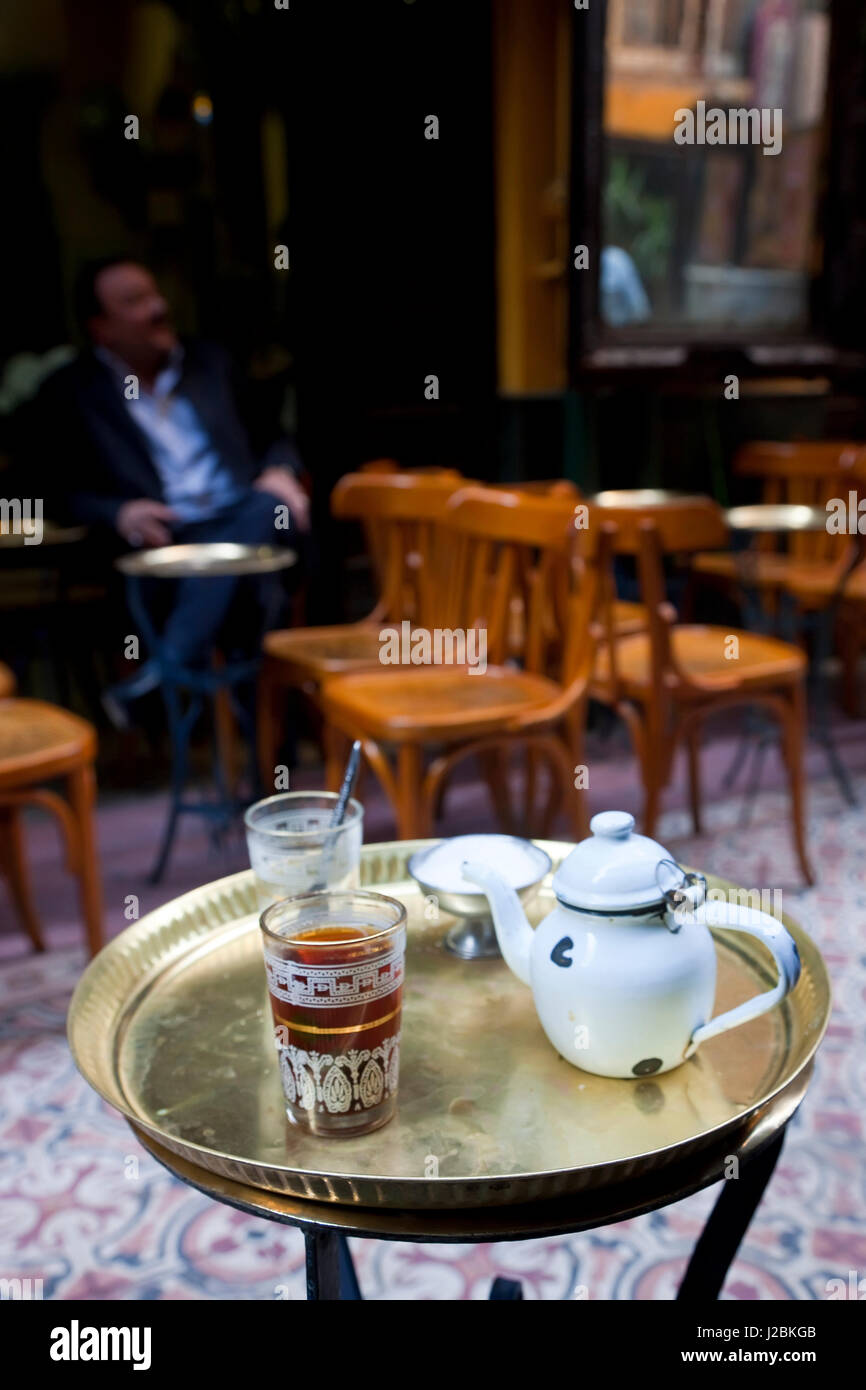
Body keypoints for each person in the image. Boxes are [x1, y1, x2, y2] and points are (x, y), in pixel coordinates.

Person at [31, 257, 309, 721]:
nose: (158, 307)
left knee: (264, 510)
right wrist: (118, 513)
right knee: (254, 592)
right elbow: (51, 490)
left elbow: (274, 437)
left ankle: (167, 675)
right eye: (134, 302)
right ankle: (263, 743)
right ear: (101, 328)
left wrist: (280, 468)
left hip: (244, 516)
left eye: (154, 293)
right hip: (166, 543)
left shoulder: (213, 362)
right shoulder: (70, 392)